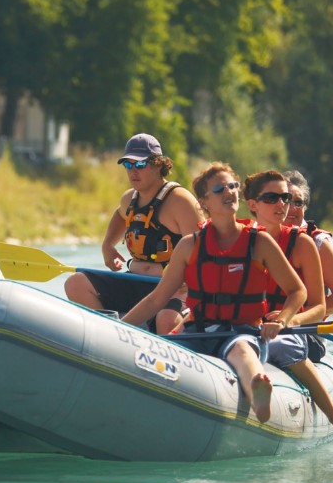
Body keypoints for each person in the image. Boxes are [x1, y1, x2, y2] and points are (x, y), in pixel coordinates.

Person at [122, 162, 305, 423]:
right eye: (220, 189)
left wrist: (281, 320)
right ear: (204, 201)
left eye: (233, 186)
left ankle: (257, 390)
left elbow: (297, 291)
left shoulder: (259, 242)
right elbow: (156, 299)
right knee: (162, 352)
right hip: (197, 331)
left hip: (242, 331)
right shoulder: (189, 246)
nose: (229, 192)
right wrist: (117, 327)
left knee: (241, 351)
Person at [245, 169, 333, 441]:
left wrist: (293, 317)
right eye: (278, 198)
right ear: (256, 205)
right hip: (256, 323)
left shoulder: (312, 243)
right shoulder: (247, 238)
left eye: (295, 201)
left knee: (283, 344)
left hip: (299, 329)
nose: (288, 206)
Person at [64, 133, 204, 333]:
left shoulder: (181, 201)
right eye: (128, 165)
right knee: (76, 283)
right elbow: (121, 215)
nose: (133, 172)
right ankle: (111, 337)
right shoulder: (129, 198)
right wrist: (107, 245)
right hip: (134, 281)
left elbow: (203, 245)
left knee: (165, 320)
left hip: (173, 289)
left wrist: (190, 277)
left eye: (140, 165)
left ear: (158, 164)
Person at [283, 170, 333, 316]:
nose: (292, 208)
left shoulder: (318, 242)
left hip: (304, 330)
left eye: (298, 202)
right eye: (286, 200)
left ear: (304, 207)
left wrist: (293, 316)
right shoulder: (260, 238)